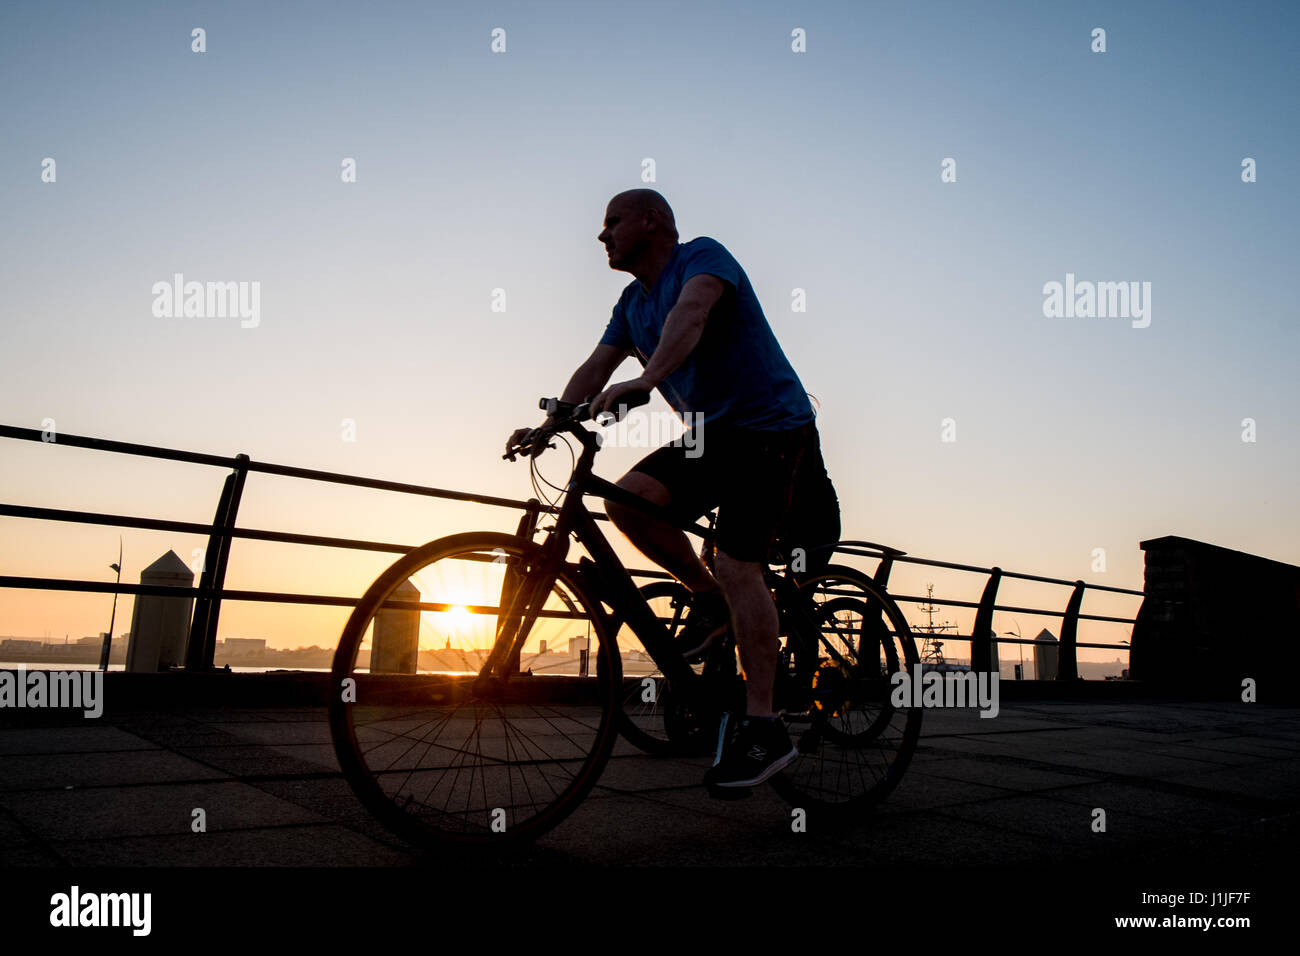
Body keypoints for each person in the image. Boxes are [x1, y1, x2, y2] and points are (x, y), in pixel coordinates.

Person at [507, 189, 836, 791]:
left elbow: (692, 317)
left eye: (611, 223)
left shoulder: (703, 257)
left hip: (771, 430)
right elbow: (594, 368)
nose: (601, 236)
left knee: (741, 564)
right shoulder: (631, 304)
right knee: (627, 499)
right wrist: (551, 423)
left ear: (650, 221)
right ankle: (708, 600)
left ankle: (764, 731)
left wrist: (649, 378)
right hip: (711, 436)